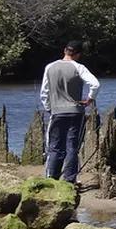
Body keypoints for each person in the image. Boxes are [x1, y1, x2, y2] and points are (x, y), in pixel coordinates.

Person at [39, 41, 100, 183]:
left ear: (65, 50)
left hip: (56, 112)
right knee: (72, 147)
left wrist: (49, 108)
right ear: (78, 54)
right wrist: (90, 99)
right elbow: (95, 84)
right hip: (75, 112)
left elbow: (44, 92)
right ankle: (70, 180)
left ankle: (51, 179)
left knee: (54, 146)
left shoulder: (50, 67)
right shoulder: (79, 67)